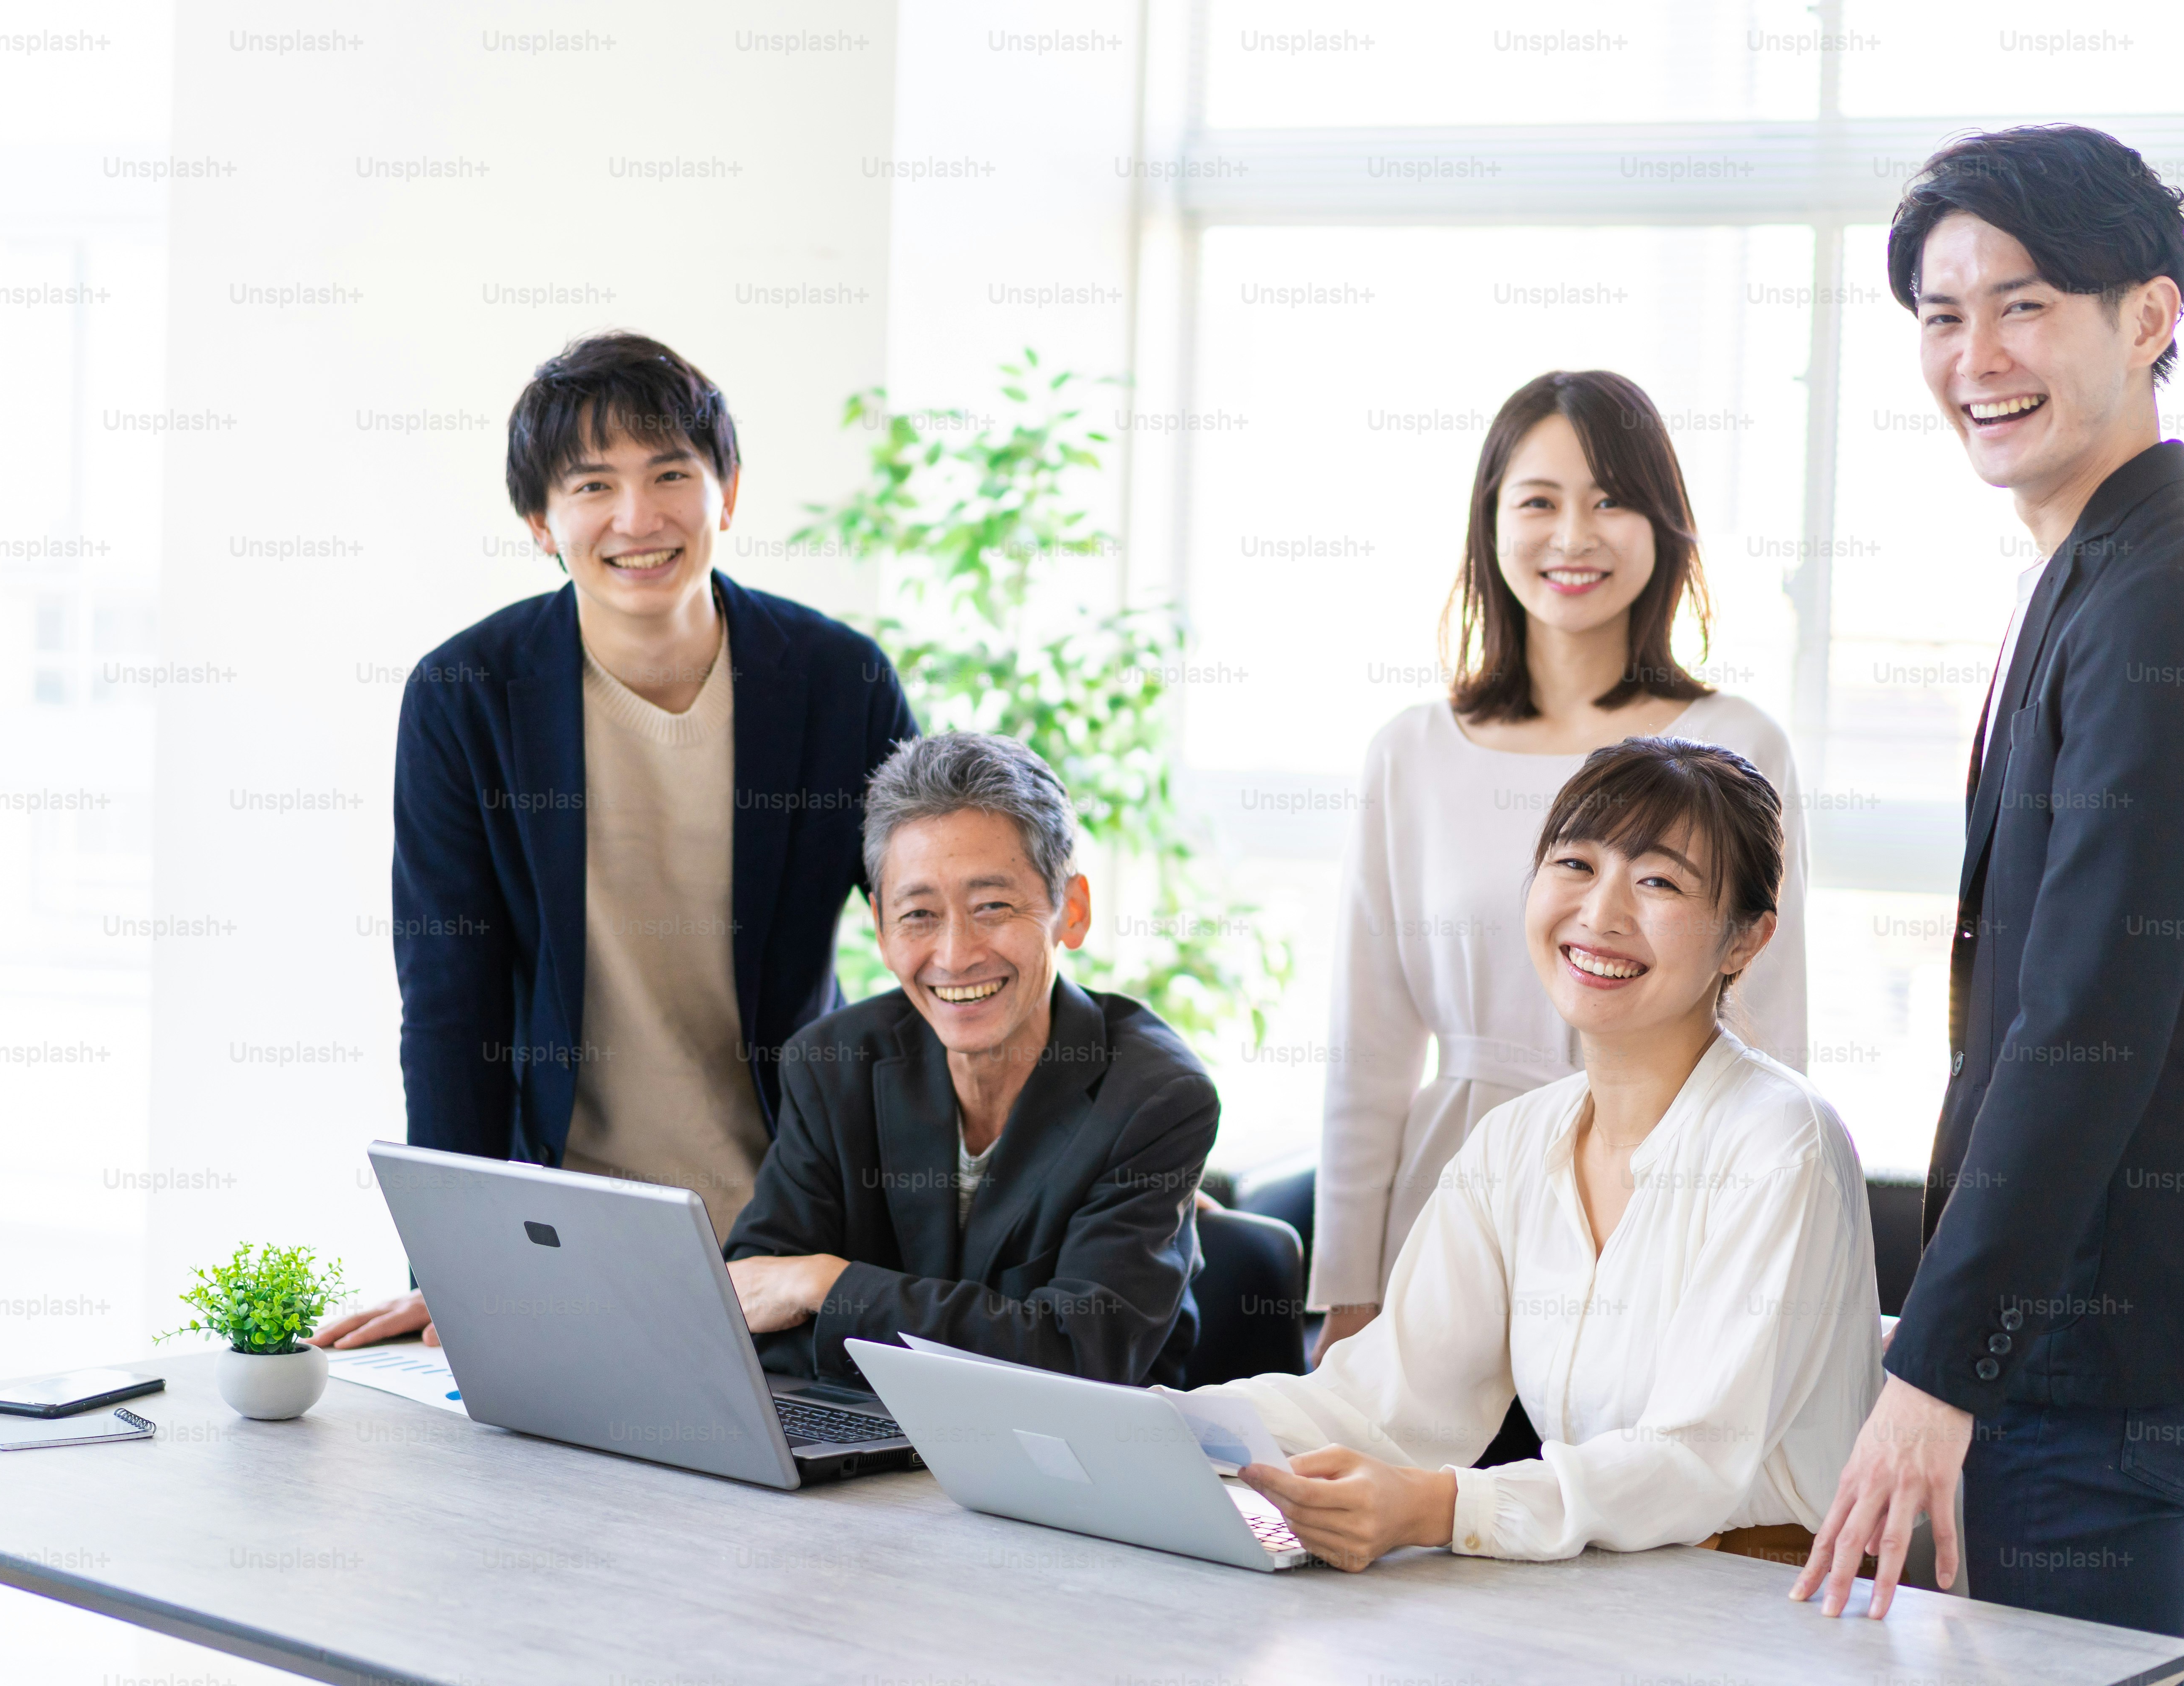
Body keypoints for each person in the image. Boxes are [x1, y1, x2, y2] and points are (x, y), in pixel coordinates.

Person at [1794, 125, 2184, 1636]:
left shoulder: (2169, 597)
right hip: (2080, 1330)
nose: (1975, 357)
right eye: (1941, 318)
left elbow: (2088, 1021)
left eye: (2022, 306)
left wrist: (1941, 1365)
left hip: (2102, 1345)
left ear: (2148, 317)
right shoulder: (2095, 572)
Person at [316, 331, 915, 1352]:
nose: (638, 519)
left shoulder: (835, 678)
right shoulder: (467, 697)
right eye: (593, 484)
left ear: (727, 493)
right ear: (540, 522)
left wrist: (1076, 1147)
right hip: (566, 1241)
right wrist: (458, 1267)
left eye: (672, 473)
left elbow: (944, 936)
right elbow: (451, 1007)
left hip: (793, 1230)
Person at [1197, 738, 1878, 1571]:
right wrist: (1166, 1427)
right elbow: (1385, 1400)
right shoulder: (1515, 1141)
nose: (1601, 912)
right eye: (1576, 863)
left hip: (1769, 1598)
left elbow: (1692, 1460)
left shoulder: (1781, 1141)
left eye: (1659, 880)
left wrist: (1440, 1504)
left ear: (1745, 939)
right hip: (1603, 1582)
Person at [1312, 370, 1810, 1364]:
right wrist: (1350, 1289)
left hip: (1663, 1195)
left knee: (1618, 1502)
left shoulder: (1730, 741)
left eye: (1613, 500)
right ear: (1489, 522)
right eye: (1539, 501)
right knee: (1422, 1500)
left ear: (1664, 527)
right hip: (1450, 1199)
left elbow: (1772, 1035)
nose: (1574, 535)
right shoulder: (1412, 749)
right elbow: (1365, 1047)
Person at [721, 731, 1221, 1386]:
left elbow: (1077, 1361)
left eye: (992, 907)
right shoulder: (832, 1062)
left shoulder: (1155, 1097)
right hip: (863, 1454)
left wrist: (826, 1285)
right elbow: (748, 1310)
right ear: (880, 927)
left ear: (1070, 911)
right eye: (919, 915)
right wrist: (990, 1331)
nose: (955, 955)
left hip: (1078, 1469)